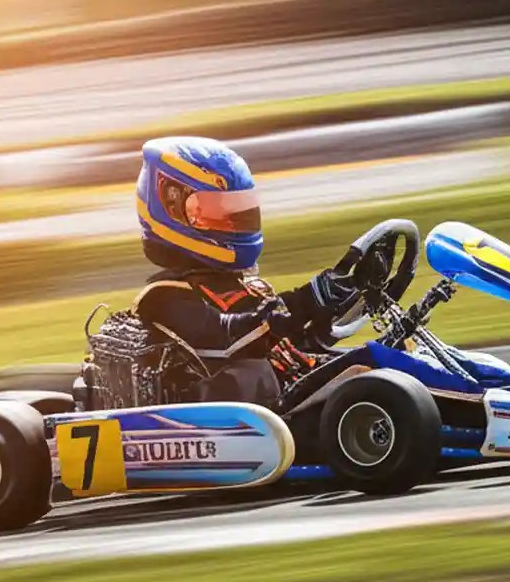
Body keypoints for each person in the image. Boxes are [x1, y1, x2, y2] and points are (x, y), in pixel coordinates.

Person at [131, 136, 359, 400]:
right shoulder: (162, 297)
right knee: (255, 373)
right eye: (218, 215)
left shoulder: (250, 287)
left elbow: (291, 346)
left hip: (278, 405)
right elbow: (228, 337)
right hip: (216, 418)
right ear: (169, 210)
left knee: (363, 361)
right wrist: (307, 300)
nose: (234, 224)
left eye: (238, 212)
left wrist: (343, 296)